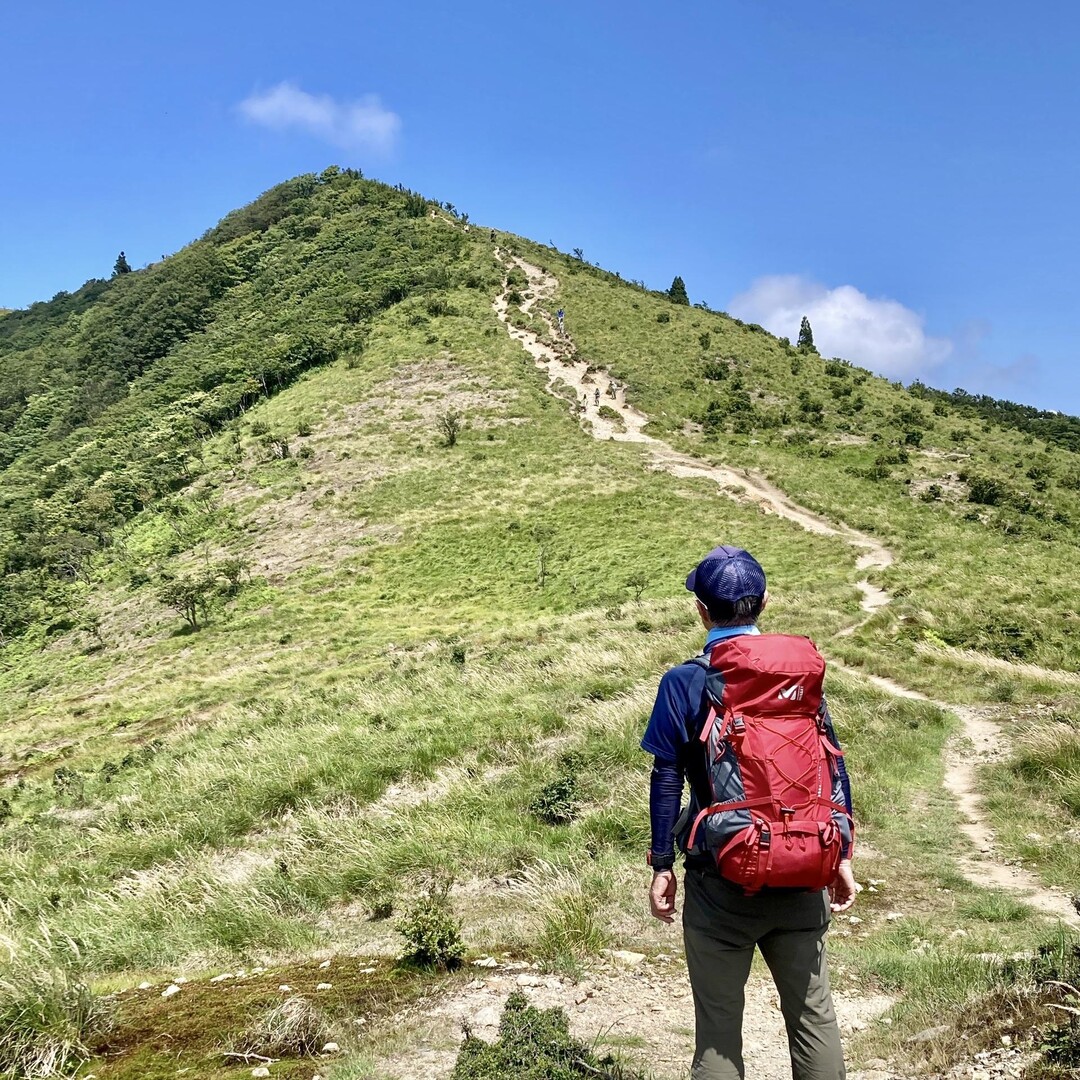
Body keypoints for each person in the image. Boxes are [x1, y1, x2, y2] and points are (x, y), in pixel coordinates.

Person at [642, 545, 856, 1080]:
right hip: (804, 865)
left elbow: (667, 778)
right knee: (813, 1017)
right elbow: (832, 760)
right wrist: (843, 854)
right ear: (764, 603)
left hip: (722, 877)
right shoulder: (799, 673)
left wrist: (662, 864)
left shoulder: (684, 681)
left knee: (718, 1030)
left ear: (701, 611)